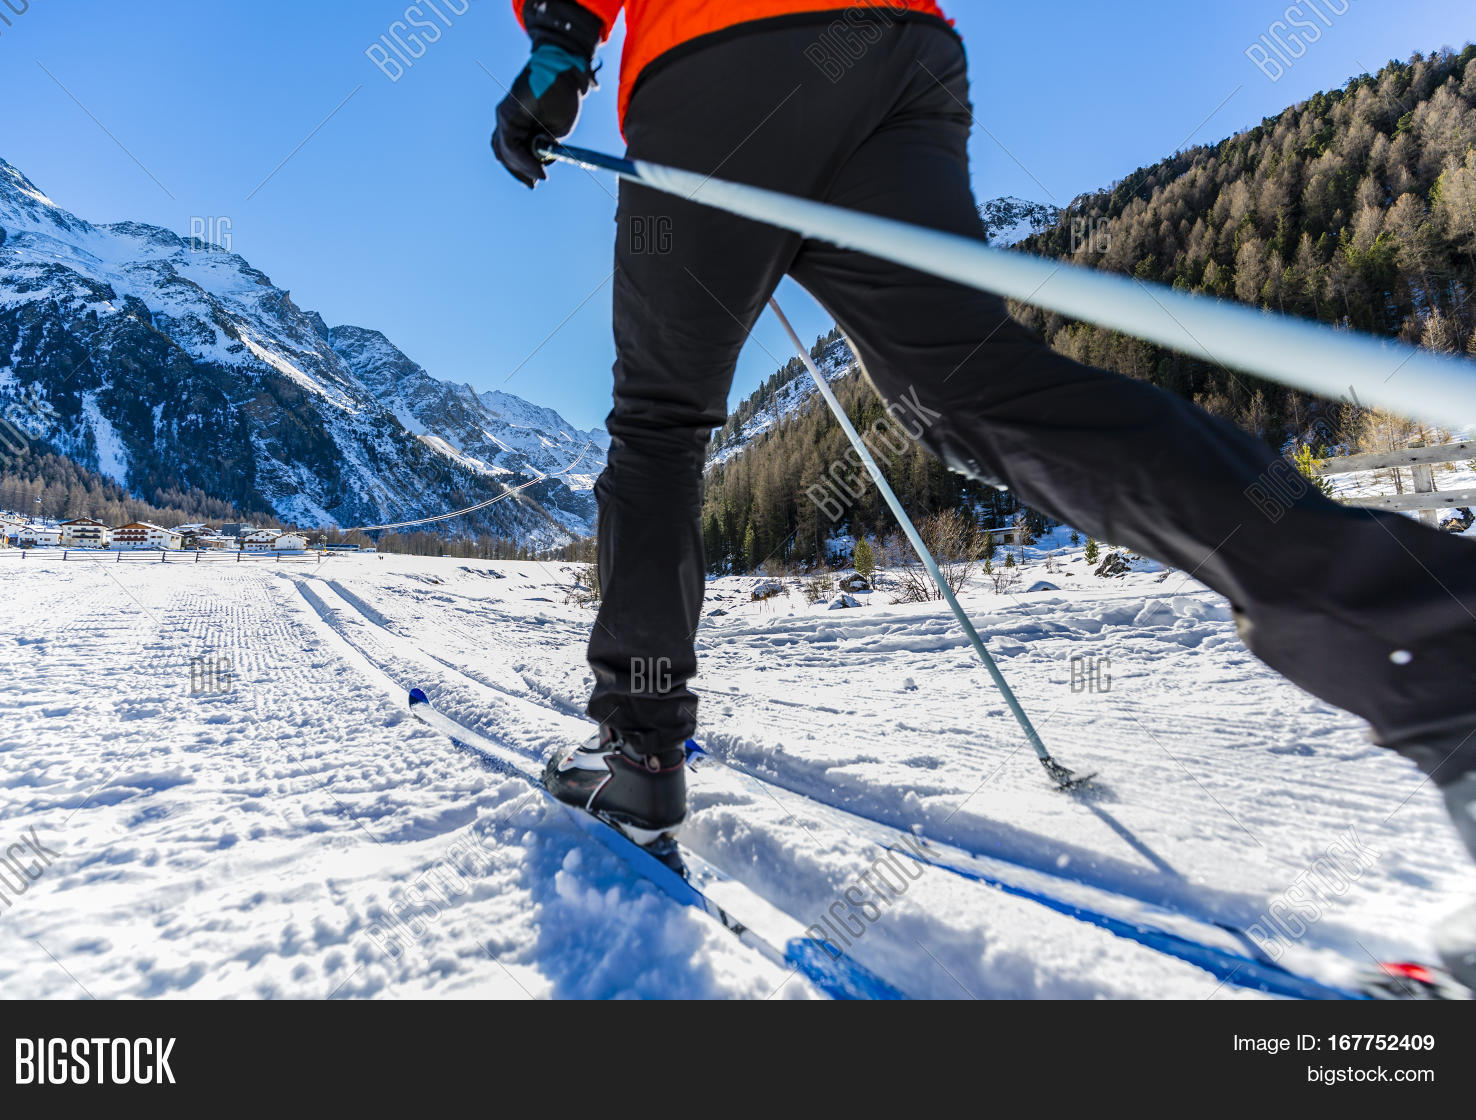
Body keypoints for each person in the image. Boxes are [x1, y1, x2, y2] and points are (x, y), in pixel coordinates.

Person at [493, 0, 1476, 986]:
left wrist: (558, 48)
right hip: (897, 55)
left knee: (659, 426)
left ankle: (640, 757)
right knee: (983, 394)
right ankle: (1433, 648)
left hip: (714, 65)